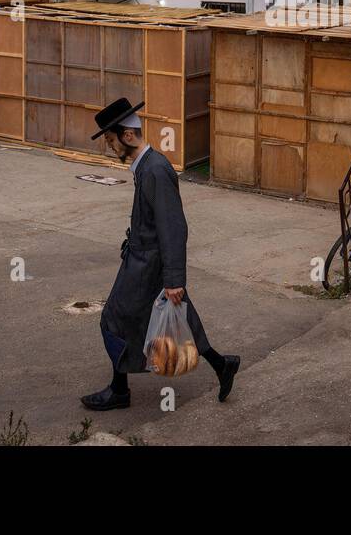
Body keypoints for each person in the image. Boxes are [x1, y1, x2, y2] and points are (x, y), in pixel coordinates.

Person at [81, 97, 239, 412]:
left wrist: (174, 279)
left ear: (127, 136)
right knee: (180, 318)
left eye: (111, 140)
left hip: (148, 265)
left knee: (113, 318)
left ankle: (119, 391)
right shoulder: (147, 167)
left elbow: (173, 227)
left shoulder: (155, 170)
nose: (110, 147)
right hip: (144, 260)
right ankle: (223, 364)